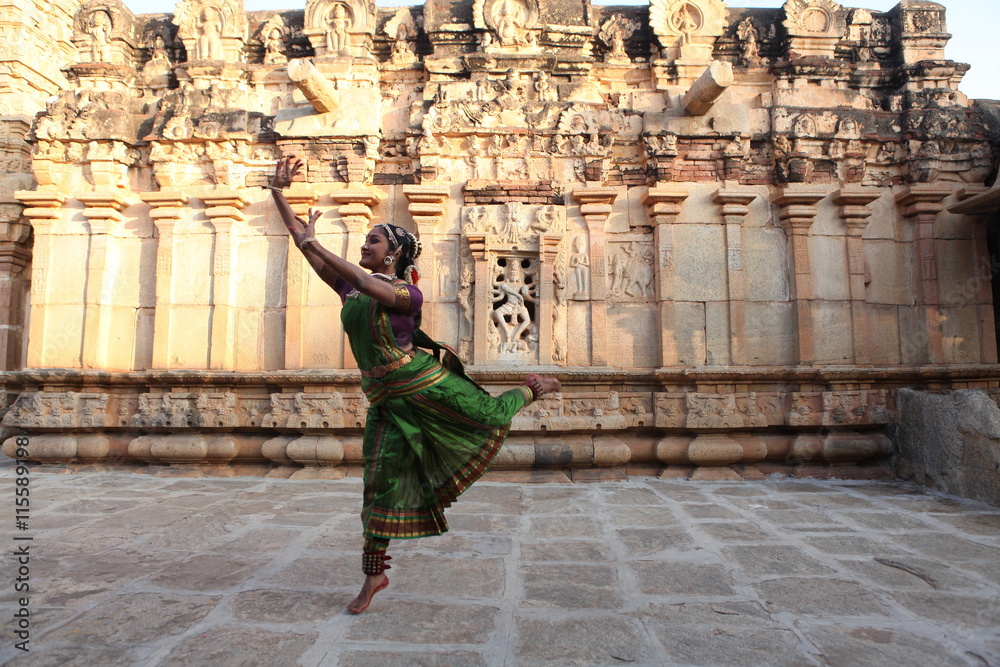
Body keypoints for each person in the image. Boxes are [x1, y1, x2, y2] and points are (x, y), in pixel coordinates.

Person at [267, 157, 561, 614]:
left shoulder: (406, 293)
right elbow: (305, 247)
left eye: (373, 240)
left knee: (489, 415)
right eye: (364, 239)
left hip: (425, 384)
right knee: (377, 485)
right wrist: (278, 193)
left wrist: (319, 246)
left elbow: (359, 275)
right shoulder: (352, 291)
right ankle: (374, 575)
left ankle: (534, 389)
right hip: (384, 399)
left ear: (394, 254)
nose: (366, 244)